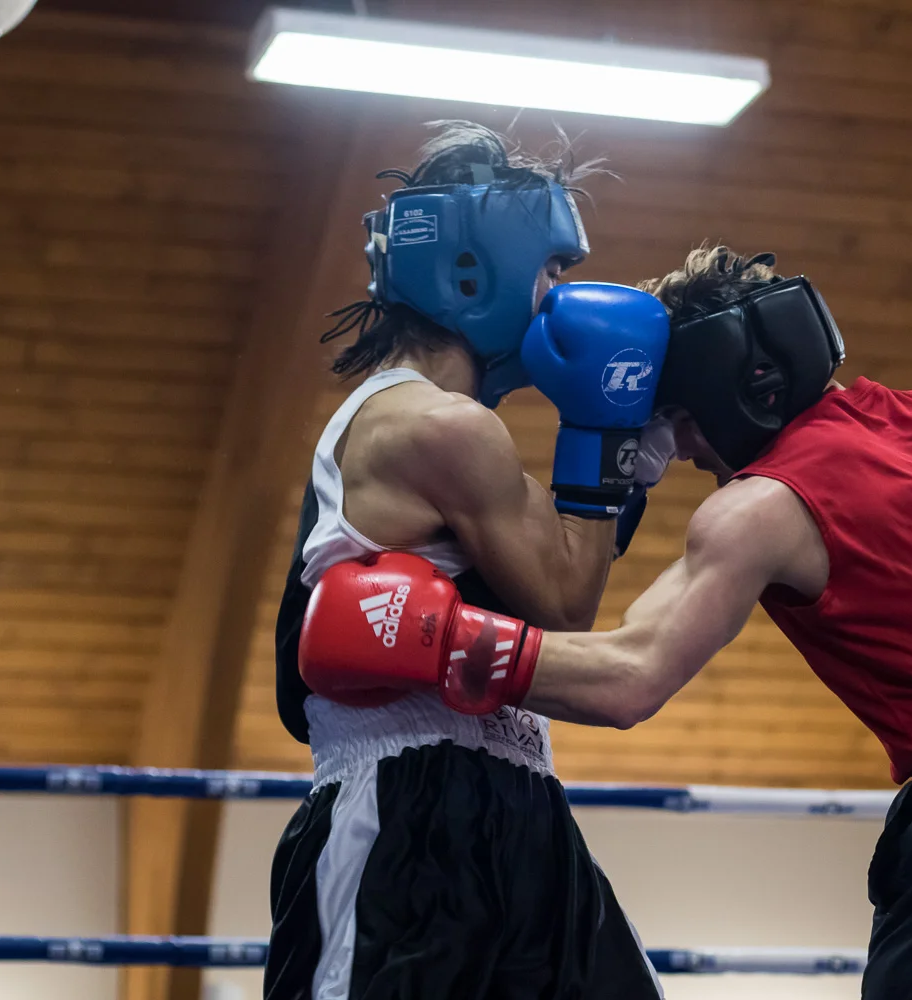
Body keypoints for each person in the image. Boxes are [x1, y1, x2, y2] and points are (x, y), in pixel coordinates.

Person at [302, 245, 912, 999]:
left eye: (676, 422)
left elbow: (629, 678)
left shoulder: (761, 509)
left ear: (717, 399)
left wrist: (443, 641)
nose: (678, 452)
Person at [263, 122, 670, 1000]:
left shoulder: (442, 423)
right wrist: (605, 435)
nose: (559, 292)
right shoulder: (440, 426)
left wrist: (629, 455)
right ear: (476, 268)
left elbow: (557, 586)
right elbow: (565, 603)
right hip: (410, 810)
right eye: (550, 267)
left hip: (512, 795)